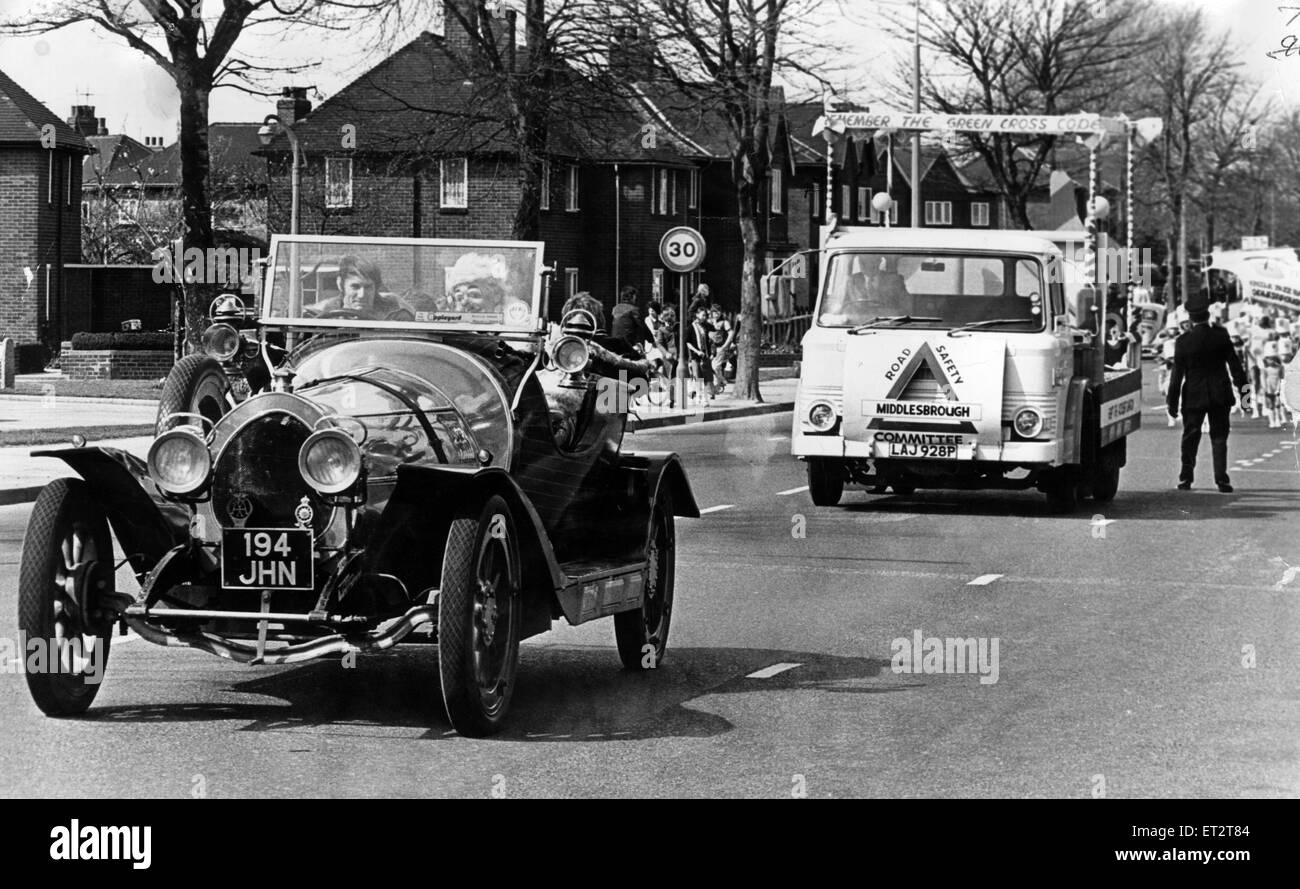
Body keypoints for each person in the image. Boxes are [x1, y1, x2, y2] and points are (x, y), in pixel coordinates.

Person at [1166, 301, 1251, 493]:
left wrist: (1172, 402)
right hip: (1220, 394)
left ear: (1189, 318)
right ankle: (1221, 479)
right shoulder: (1221, 336)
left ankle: (1186, 478)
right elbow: (1236, 368)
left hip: (1194, 396)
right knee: (1219, 437)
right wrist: (1245, 398)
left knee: (1190, 437)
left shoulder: (1183, 341)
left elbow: (1176, 376)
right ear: (1208, 316)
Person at [306, 256, 411, 320]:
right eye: (355, 287)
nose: (362, 295)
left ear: (376, 287)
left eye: (368, 287)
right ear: (340, 284)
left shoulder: (393, 309)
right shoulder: (323, 312)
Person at [610, 285, 652, 353]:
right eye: (635, 296)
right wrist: (651, 340)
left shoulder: (615, 309)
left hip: (614, 344)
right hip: (628, 345)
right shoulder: (633, 310)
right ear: (631, 296)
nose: (636, 298)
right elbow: (642, 326)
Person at [708, 304, 736, 392]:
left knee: (716, 366)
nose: (717, 314)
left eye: (718, 311)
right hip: (710, 348)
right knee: (712, 367)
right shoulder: (709, 322)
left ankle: (720, 382)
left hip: (720, 347)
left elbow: (731, 333)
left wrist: (726, 345)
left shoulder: (724, 322)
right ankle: (720, 382)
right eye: (715, 312)